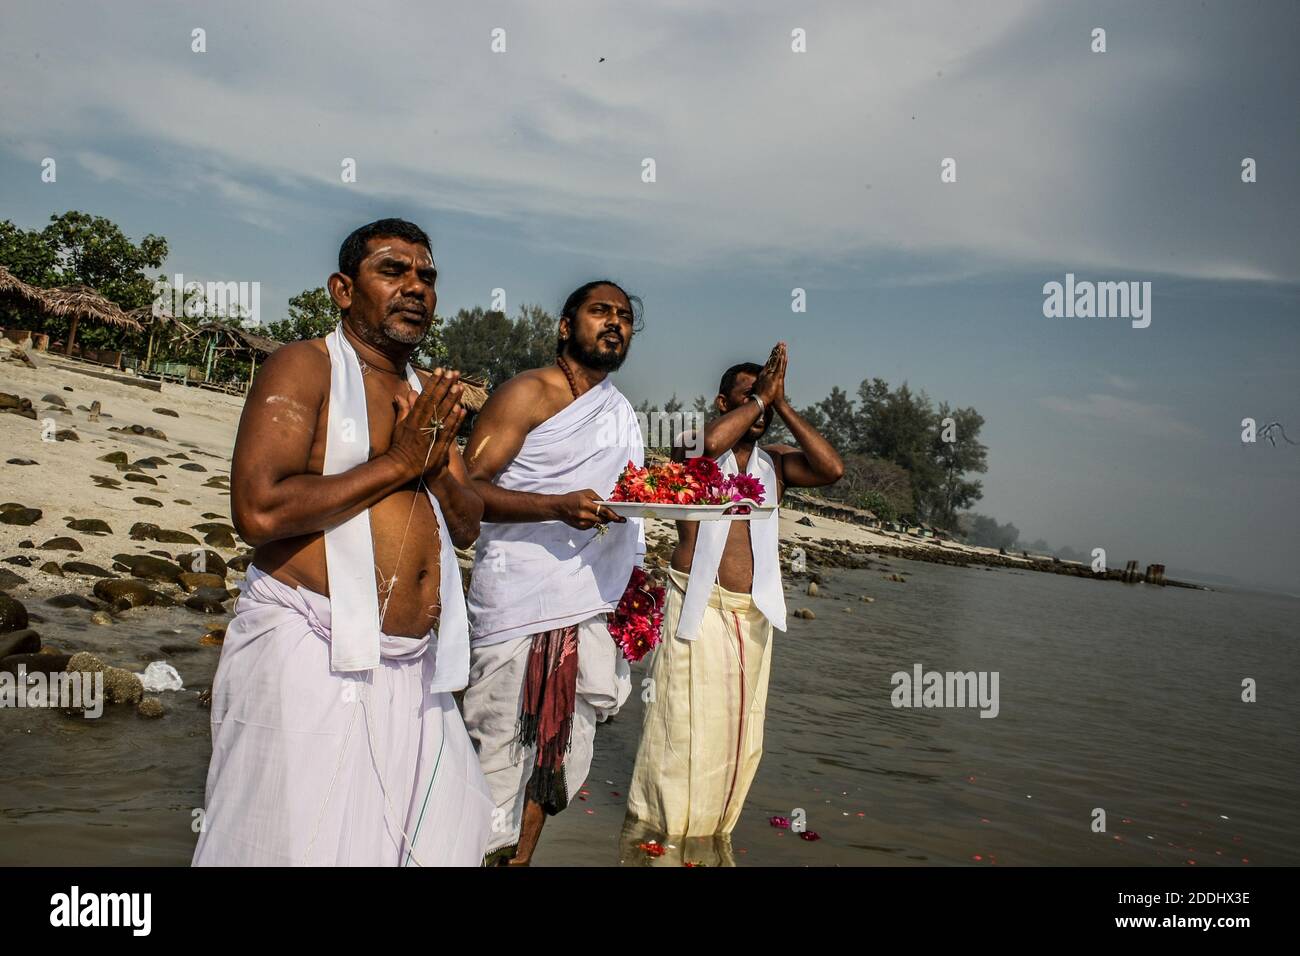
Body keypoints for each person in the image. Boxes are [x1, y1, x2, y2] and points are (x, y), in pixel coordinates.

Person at [192, 218, 493, 866]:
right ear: (342, 289)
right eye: (394, 270)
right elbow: (259, 509)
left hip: (414, 668)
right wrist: (400, 460)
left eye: (427, 276)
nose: (416, 286)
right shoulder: (306, 365)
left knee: (433, 842)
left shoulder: (424, 393)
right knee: (291, 844)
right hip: (311, 650)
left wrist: (438, 464)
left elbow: (467, 527)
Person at [461, 280, 646, 865]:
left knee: (554, 764)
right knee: (495, 764)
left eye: (623, 317)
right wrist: (555, 505)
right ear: (566, 326)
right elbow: (465, 490)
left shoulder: (619, 412)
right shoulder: (528, 393)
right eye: (600, 312)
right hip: (520, 601)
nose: (614, 323)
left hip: (588, 601)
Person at [625, 342, 843, 838]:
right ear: (725, 403)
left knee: (740, 728)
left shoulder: (778, 464)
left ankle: (711, 831)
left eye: (764, 396)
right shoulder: (693, 444)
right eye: (748, 396)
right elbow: (705, 448)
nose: (759, 407)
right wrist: (759, 401)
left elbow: (832, 469)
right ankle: (659, 828)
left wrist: (780, 402)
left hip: (754, 612)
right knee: (680, 721)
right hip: (697, 606)